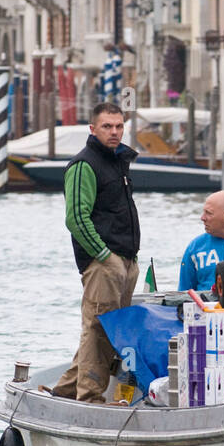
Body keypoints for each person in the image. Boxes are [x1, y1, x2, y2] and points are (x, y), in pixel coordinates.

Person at [48, 102, 142, 403]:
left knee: (110, 330)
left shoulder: (117, 161)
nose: (114, 132)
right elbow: (75, 217)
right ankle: (88, 396)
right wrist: (104, 256)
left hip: (125, 261)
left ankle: (65, 389)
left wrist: (129, 260)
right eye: (107, 126)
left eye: (118, 126)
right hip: (104, 263)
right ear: (92, 129)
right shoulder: (84, 164)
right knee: (98, 328)